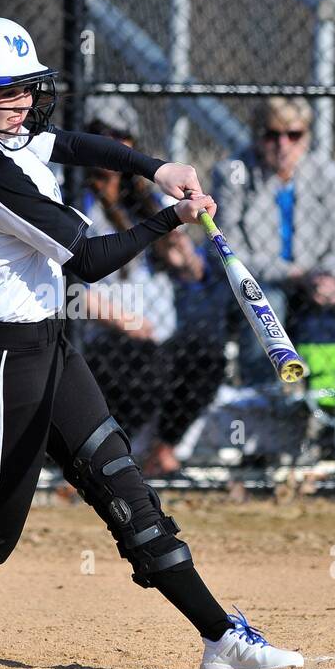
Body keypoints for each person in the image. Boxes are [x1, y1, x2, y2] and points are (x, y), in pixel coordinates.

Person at [0, 17, 304, 669]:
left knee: (125, 490)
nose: (24, 105)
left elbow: (66, 142)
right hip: (3, 360)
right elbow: (93, 258)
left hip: (52, 346)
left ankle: (222, 636)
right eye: (5, 93)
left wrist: (155, 167)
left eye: (25, 89)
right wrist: (168, 217)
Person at [76, 95, 223, 477]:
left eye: (121, 136)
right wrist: (124, 321)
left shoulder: (144, 198)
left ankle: (161, 452)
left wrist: (182, 256)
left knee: (207, 355)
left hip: (157, 332)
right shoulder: (75, 198)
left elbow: (193, 274)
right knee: (145, 361)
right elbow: (63, 286)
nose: (113, 144)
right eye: (101, 135)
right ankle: (103, 463)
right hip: (101, 334)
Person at [209, 96, 335, 384]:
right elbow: (226, 252)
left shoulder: (326, 174)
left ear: (306, 137)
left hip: (316, 283)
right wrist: (294, 273)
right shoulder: (234, 174)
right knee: (268, 303)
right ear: (257, 136)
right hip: (261, 285)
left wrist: (330, 279)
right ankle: (264, 400)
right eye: (272, 135)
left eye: (293, 135)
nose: (283, 144)